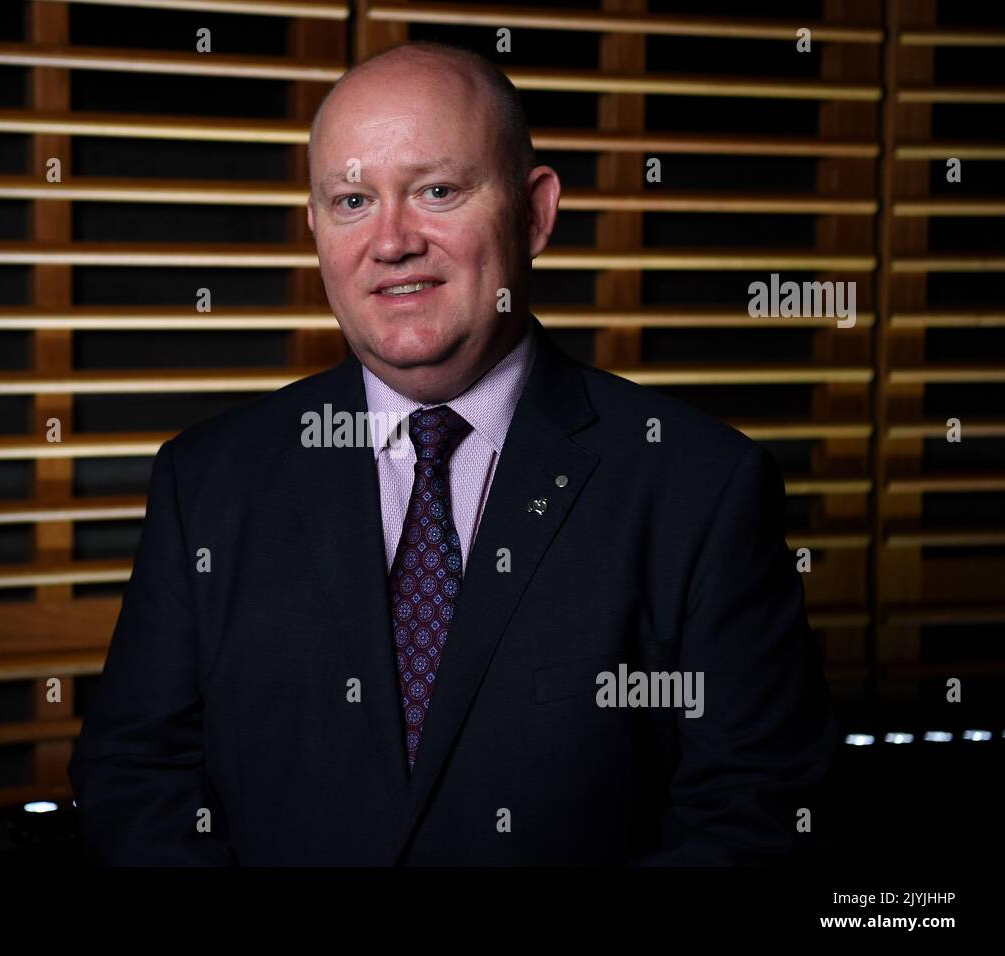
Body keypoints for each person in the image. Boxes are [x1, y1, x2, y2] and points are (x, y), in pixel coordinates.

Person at [67, 40, 838, 865]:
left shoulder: (701, 488)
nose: (392, 241)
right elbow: (135, 777)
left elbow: (757, 813)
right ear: (315, 229)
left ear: (535, 213)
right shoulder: (206, 483)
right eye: (353, 200)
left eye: (437, 190)